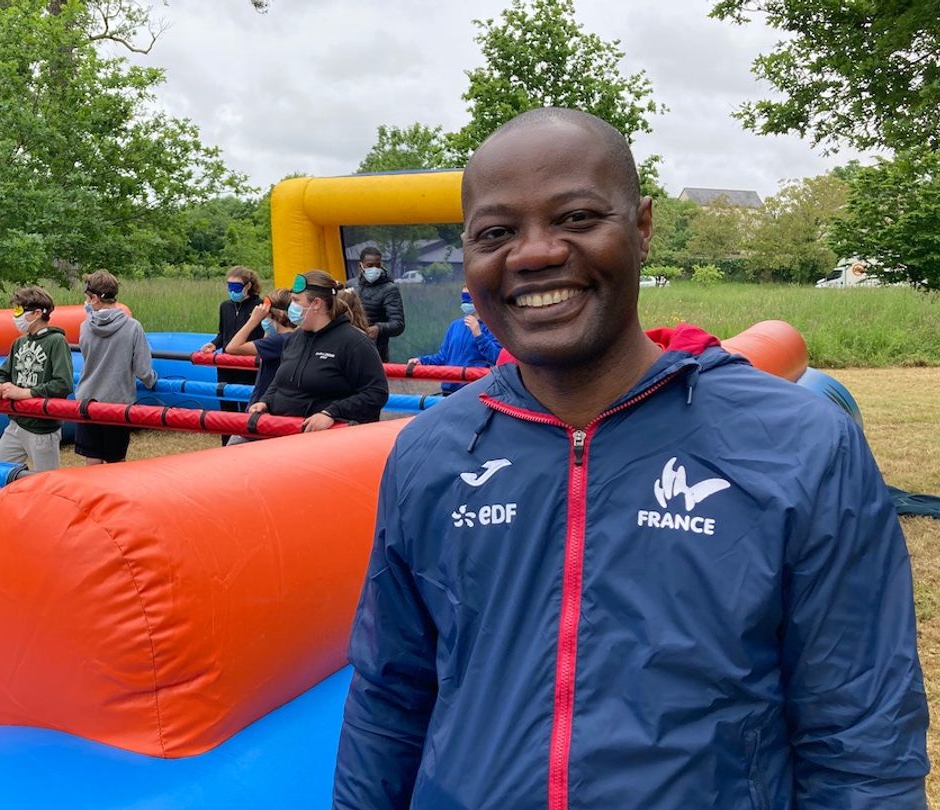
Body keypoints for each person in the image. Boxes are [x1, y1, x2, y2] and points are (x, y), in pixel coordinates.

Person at [333, 108, 928, 808]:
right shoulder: (432, 451)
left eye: (577, 218)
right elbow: (388, 697)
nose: (534, 253)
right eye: (496, 233)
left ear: (642, 227)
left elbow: (860, 735)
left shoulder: (800, 444)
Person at [248, 271, 388, 431]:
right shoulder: (294, 338)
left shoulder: (354, 342)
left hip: (324, 440)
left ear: (316, 303)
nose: (290, 307)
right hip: (281, 429)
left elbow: (376, 393)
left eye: (295, 300)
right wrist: (265, 401)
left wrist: (330, 413)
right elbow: (280, 381)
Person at [74, 270, 157, 464]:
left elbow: (88, 358)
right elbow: (143, 370)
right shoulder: (133, 326)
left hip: (88, 400)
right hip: (118, 404)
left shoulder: (85, 326)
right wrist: (152, 380)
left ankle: (93, 495)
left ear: (94, 298)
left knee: (92, 460)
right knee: (116, 462)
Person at [0, 286, 74, 473]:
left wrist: (24, 393)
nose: (15, 316)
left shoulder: (56, 342)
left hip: (43, 429)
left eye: (19, 310)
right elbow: (4, 374)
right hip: (17, 424)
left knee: (47, 484)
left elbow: (63, 384)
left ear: (37, 313)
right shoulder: (19, 342)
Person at [200, 266, 265, 443]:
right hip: (226, 364)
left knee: (247, 405)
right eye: (229, 286)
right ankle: (226, 444)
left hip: (249, 365)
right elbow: (224, 334)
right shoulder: (225, 306)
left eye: (236, 287)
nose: (232, 291)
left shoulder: (260, 308)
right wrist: (213, 344)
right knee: (226, 408)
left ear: (249, 286)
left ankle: (248, 444)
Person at [407, 289, 501, 394]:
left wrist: (479, 335)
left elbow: (497, 358)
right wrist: (422, 361)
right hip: (449, 389)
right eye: (463, 298)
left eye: (468, 298)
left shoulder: (493, 327)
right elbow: (443, 357)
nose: (465, 303)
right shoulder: (455, 325)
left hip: (474, 390)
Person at [223, 288, 297, 409]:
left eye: (266, 316)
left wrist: (253, 320)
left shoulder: (278, 341)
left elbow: (232, 348)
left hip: (263, 404)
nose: (264, 320)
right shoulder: (296, 336)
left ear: (277, 315)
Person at [354, 246, 405, 362]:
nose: (374, 269)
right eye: (370, 265)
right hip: (351, 348)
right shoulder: (351, 285)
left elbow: (398, 324)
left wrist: (379, 328)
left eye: (378, 266)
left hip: (376, 352)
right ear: (361, 265)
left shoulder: (390, 289)